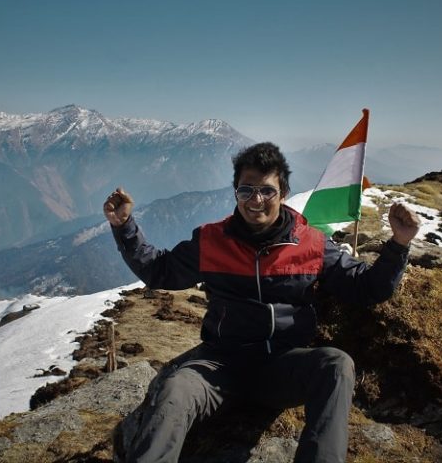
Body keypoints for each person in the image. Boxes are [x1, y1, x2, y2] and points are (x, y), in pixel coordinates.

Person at [103, 142, 420, 463]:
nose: (256, 200)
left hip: (282, 367)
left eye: (266, 191)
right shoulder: (213, 240)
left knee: (336, 365)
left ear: (283, 193)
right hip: (220, 366)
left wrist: (399, 244)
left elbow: (365, 288)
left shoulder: (311, 244)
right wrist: (124, 227)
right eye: (246, 190)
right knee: (176, 389)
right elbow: (161, 272)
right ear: (236, 193)